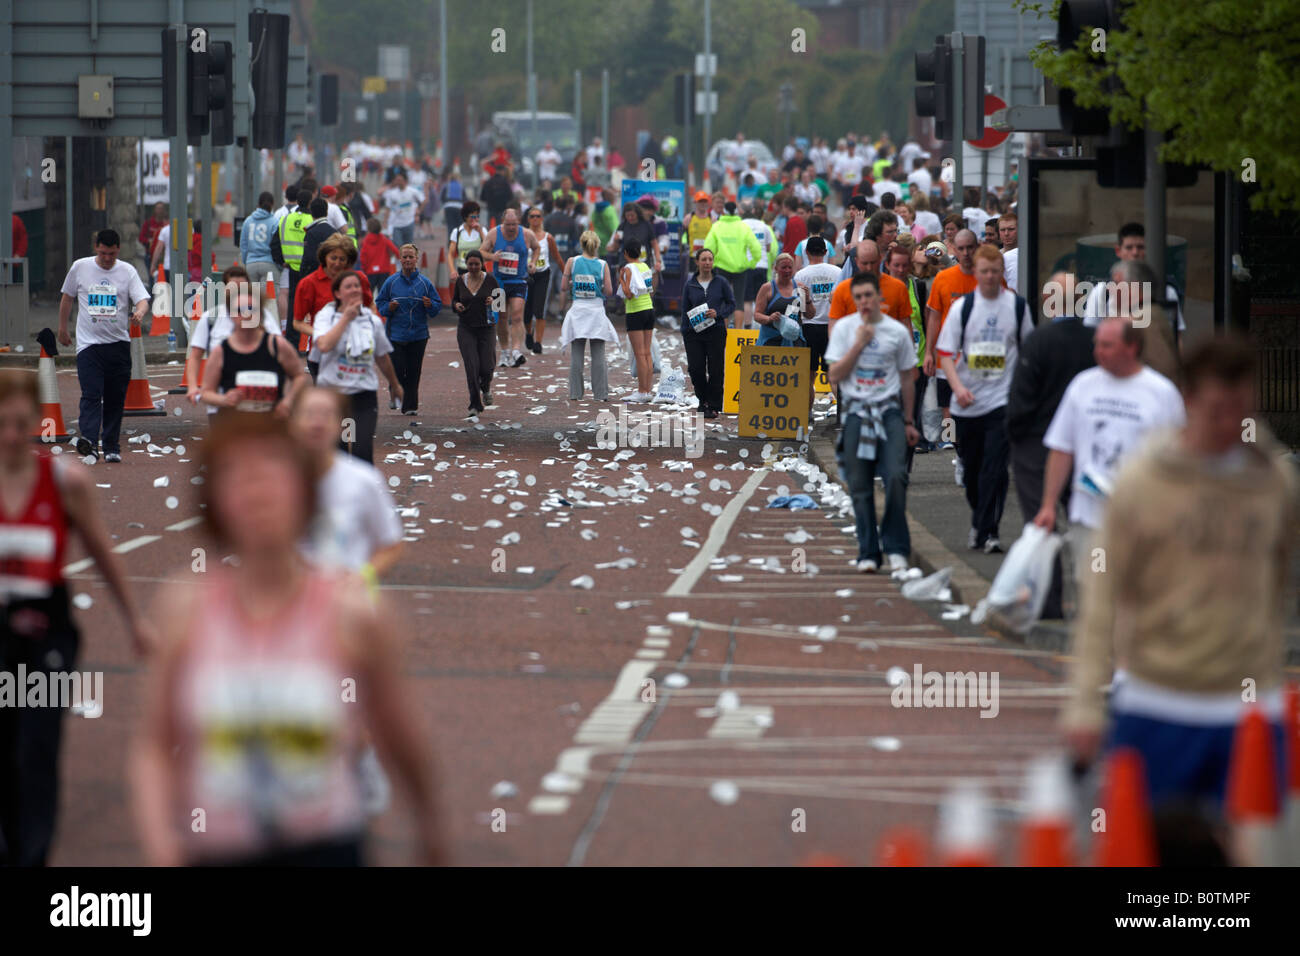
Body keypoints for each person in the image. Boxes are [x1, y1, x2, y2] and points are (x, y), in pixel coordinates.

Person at [129, 413, 441, 866]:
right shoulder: (184, 608)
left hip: (325, 848)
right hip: (218, 849)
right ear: (213, 502)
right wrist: (161, 846)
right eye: (236, 475)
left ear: (306, 493)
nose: (257, 490)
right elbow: (155, 745)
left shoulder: (352, 613)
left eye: (274, 470)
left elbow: (401, 735)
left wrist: (431, 831)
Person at [1062, 336, 1297, 818]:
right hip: (1158, 701)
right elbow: (1101, 600)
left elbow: (1281, 582)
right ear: (1188, 401)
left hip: (1250, 706)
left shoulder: (1273, 483)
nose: (1229, 423)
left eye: (1240, 408)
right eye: (1216, 410)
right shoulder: (1143, 481)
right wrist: (1086, 703)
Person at [0, 370, 152, 866]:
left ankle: (33, 855)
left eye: (19, 423)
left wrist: (135, 621)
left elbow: (103, 554)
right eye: (1, 423)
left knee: (36, 746)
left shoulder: (65, 481)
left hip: (46, 632)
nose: (9, 435)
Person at [1033, 315, 1185, 594]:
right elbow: (1062, 448)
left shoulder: (1162, 394)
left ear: (1131, 347)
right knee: (1094, 594)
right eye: (1097, 344)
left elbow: (1180, 462)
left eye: (1107, 345)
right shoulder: (1082, 385)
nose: (1097, 351)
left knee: (1138, 594)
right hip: (1090, 518)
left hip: (1142, 521)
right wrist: (1048, 504)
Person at [1004, 271, 1096, 619]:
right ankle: (1094, 601)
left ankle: (1050, 601)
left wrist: (1015, 434)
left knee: (1042, 524)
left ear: (1048, 300)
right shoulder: (1096, 340)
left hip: (1037, 447)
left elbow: (1021, 399)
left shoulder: (1039, 341)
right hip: (1084, 448)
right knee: (1086, 525)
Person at [935, 245, 1036, 554]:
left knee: (995, 468)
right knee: (973, 469)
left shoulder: (1017, 308)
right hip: (967, 402)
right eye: (985, 271)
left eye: (995, 271)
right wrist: (957, 389)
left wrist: (1023, 393)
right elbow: (945, 354)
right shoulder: (963, 308)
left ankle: (987, 530)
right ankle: (980, 519)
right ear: (976, 273)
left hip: (1002, 401)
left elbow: (1029, 352)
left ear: (1001, 273)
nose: (990, 277)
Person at [825, 272, 920, 574]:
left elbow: (908, 377)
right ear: (854, 301)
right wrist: (858, 345)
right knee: (859, 484)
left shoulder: (896, 332)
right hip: (856, 413)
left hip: (889, 411)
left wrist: (908, 421)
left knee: (895, 477)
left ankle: (896, 547)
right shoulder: (844, 329)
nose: (865, 302)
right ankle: (868, 551)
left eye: (870, 296)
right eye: (859, 297)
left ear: (880, 298)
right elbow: (835, 375)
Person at [58, 230, 150, 463]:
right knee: (90, 394)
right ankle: (89, 441)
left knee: (114, 398)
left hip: (118, 344)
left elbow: (142, 299)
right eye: (102, 253)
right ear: (95, 248)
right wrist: (62, 328)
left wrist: (139, 312)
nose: (107, 258)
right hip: (89, 345)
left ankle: (111, 446)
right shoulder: (80, 267)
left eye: (111, 253)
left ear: (118, 250)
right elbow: (67, 297)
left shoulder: (127, 271)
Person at [312, 271, 402, 464]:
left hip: (363, 397)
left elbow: (382, 356)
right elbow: (324, 345)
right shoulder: (326, 317)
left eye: (357, 286)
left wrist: (395, 384)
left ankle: (362, 490)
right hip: (336, 398)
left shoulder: (372, 321)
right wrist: (346, 318)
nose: (354, 290)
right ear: (337, 293)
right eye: (348, 286)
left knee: (362, 448)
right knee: (341, 450)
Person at [186, 264, 284, 414]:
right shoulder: (210, 318)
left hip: (260, 402)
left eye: (242, 288)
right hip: (221, 405)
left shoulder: (263, 316)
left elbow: (281, 352)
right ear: (225, 290)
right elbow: (195, 356)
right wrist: (192, 387)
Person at [200, 282, 305, 417]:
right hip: (233, 427)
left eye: (251, 309)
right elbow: (205, 393)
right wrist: (224, 399)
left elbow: (299, 376)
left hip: (271, 427)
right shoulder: (221, 351)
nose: (245, 314)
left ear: (260, 313)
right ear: (230, 315)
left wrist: (288, 402)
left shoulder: (276, 345)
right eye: (239, 310)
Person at [924, 229, 981, 455]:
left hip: (980, 355)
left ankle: (969, 451)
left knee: (977, 405)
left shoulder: (986, 276)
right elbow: (934, 316)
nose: (966, 253)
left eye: (970, 248)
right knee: (948, 407)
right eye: (961, 248)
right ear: (954, 249)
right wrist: (929, 352)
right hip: (948, 355)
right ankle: (956, 450)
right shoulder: (943, 278)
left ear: (976, 248)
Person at [294, 233, 376, 379]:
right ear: (324, 257)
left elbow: (370, 304)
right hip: (322, 353)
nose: (337, 263)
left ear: (349, 261)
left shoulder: (359, 279)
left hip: (353, 351)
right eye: (333, 258)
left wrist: (369, 328)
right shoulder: (309, 283)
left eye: (342, 259)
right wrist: (320, 333)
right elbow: (297, 322)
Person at [375, 244, 440, 417]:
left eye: (411, 257)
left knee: (414, 371)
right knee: (397, 368)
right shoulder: (391, 281)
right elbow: (380, 304)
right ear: (400, 259)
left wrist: (430, 305)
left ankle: (410, 406)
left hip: (419, 335)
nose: (408, 260)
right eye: (404, 257)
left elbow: (436, 307)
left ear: (416, 259)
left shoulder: (424, 283)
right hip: (395, 335)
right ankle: (394, 388)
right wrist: (389, 307)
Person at [558, 231, 618, 402]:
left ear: (581, 244)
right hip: (596, 311)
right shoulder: (602, 264)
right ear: (597, 245)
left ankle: (575, 393)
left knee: (577, 354)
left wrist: (571, 282)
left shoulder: (572, 261)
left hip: (578, 311)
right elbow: (609, 291)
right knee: (598, 354)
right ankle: (601, 394)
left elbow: (563, 287)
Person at [754, 253, 816, 414]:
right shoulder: (767, 288)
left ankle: (800, 413)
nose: (787, 271)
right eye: (784, 268)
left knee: (798, 380)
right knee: (771, 381)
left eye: (790, 267)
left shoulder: (800, 287)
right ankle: (770, 413)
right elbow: (757, 315)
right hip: (772, 341)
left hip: (795, 342)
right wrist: (769, 318)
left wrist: (807, 299)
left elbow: (810, 315)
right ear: (776, 269)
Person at [479, 208, 540, 369]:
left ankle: (516, 351)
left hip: (519, 281)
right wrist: (493, 257)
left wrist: (532, 262)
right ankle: (505, 351)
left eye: (514, 224)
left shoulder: (527, 234)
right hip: (498, 282)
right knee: (502, 317)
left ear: (519, 222)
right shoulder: (494, 233)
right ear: (502, 223)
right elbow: (481, 252)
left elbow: (537, 247)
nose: (511, 228)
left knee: (517, 316)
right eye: (508, 224)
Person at [679, 248, 734, 419]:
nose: (707, 262)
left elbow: (731, 304)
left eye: (710, 259)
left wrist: (719, 313)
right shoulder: (690, 284)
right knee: (696, 369)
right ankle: (703, 400)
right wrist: (685, 330)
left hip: (716, 331)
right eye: (704, 259)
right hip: (694, 333)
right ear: (697, 262)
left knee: (716, 369)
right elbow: (684, 309)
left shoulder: (721, 282)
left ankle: (714, 404)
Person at [451, 250, 500, 415]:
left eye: (476, 264)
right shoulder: (460, 280)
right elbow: (454, 301)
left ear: (482, 264)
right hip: (466, 328)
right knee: (472, 366)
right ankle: (474, 404)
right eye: (470, 264)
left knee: (487, 367)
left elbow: (500, 304)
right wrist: (456, 306)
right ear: (466, 264)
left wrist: (493, 301)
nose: (473, 267)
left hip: (486, 328)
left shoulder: (491, 279)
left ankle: (485, 388)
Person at [794, 236, 841, 393]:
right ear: (826, 252)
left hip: (810, 328)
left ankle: (807, 414)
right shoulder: (838, 272)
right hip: (833, 327)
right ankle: (842, 413)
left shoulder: (800, 276)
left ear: (806, 252)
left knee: (809, 376)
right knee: (833, 376)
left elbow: (799, 307)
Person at [703, 202, 762, 325]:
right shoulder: (743, 227)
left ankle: (723, 334)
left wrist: (711, 265)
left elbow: (708, 248)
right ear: (737, 212)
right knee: (739, 301)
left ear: (723, 212)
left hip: (721, 267)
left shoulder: (717, 226)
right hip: (741, 268)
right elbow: (756, 248)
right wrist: (751, 263)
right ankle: (738, 332)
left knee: (723, 300)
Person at [619, 238, 657, 403]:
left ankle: (642, 391)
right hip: (649, 308)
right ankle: (647, 390)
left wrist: (621, 279)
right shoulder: (645, 266)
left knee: (639, 354)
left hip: (635, 311)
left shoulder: (628, 268)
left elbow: (628, 294)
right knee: (647, 352)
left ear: (626, 253)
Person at [523, 207, 561, 354]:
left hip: (542, 275)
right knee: (527, 312)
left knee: (539, 310)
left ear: (542, 219)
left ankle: (538, 342)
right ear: (528, 219)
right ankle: (528, 333)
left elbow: (557, 258)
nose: (535, 219)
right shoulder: (523, 235)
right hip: (526, 276)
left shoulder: (548, 238)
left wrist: (566, 274)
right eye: (532, 216)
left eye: (538, 216)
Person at [741, 205, 780, 330]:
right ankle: (764, 326)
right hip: (762, 265)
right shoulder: (764, 226)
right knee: (763, 298)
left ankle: (747, 327)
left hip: (747, 265)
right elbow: (769, 248)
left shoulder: (742, 225)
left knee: (747, 300)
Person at [238, 192, 278, 287]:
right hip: (269, 263)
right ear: (272, 204)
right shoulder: (274, 221)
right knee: (268, 299)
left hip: (251, 263)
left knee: (252, 298)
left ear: (258, 204)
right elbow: (276, 245)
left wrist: (246, 261)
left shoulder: (248, 221)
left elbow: (243, 245)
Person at [448, 200, 488, 283]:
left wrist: (480, 231)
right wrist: (452, 270)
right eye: (473, 217)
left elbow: (488, 249)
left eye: (477, 216)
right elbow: (450, 254)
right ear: (466, 217)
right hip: (462, 270)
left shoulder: (482, 230)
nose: (476, 219)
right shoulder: (457, 232)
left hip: (479, 271)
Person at [360, 216, 402, 293]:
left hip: (370, 271)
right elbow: (395, 250)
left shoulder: (365, 241)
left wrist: (364, 268)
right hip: (384, 270)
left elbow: (363, 257)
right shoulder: (384, 239)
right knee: (383, 294)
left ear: (368, 229)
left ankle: (369, 305)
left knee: (369, 294)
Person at [381, 172, 424, 247]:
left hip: (409, 223)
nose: (398, 182)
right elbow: (388, 208)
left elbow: (423, 200)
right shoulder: (392, 193)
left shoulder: (412, 191)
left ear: (405, 181)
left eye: (400, 180)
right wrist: (385, 222)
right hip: (396, 224)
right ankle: (399, 258)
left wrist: (418, 213)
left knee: (408, 246)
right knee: (398, 245)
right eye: (397, 180)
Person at [683, 191, 715, 271]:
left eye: (704, 201)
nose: (703, 204)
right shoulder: (689, 218)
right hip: (693, 257)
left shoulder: (712, 219)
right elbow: (683, 235)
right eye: (700, 201)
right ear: (695, 203)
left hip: (708, 258)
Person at [137, 203, 167, 279]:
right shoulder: (148, 223)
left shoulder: (166, 225)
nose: (159, 211)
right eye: (158, 208)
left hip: (164, 257)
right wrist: (149, 241)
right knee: (152, 277)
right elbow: (141, 238)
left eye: (161, 208)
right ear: (155, 210)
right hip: (150, 255)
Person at [998, 211, 1019, 294]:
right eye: (1002, 230)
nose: (1006, 233)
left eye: (1011, 229)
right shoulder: (994, 256)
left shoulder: (1026, 255)